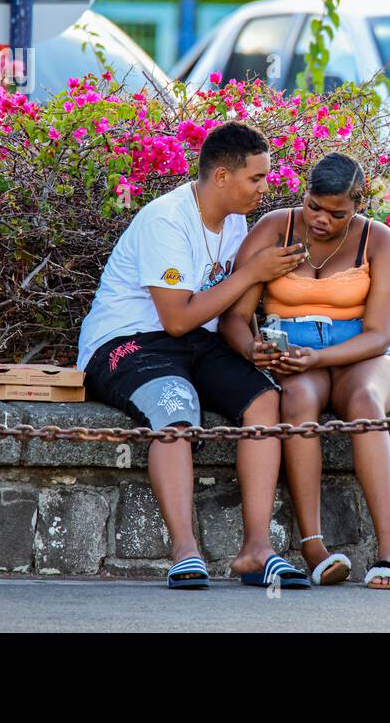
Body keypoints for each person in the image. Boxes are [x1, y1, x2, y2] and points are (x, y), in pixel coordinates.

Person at [76, 121, 312, 590]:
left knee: (265, 400)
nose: (265, 189)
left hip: (193, 341)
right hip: (129, 341)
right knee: (175, 404)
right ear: (222, 177)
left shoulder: (235, 220)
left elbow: (216, 316)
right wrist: (251, 275)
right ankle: (185, 552)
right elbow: (177, 319)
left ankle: (256, 550)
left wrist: (251, 346)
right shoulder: (166, 219)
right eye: (256, 178)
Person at [221, 152, 390, 590]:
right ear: (303, 193)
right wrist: (253, 349)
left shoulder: (379, 241)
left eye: (337, 213)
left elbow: (379, 335)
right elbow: (234, 316)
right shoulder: (275, 228)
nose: (321, 220)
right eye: (314, 206)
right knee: (299, 397)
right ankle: (314, 548)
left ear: (358, 205)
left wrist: (321, 358)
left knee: (365, 401)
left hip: (362, 357)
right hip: (294, 355)